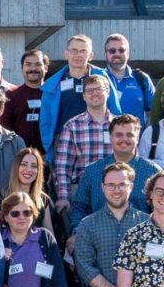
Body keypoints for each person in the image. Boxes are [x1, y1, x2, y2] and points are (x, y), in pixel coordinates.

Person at [68, 115, 156, 231]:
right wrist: (77, 232)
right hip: (98, 240)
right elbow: (80, 207)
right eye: (119, 135)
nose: (124, 139)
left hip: (141, 241)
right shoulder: (93, 171)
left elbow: (160, 210)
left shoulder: (153, 172)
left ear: (138, 138)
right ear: (110, 138)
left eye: (130, 135)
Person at [49, 70, 116, 209]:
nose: (94, 93)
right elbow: (62, 167)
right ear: (84, 96)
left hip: (116, 191)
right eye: (90, 90)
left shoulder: (119, 125)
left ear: (108, 92)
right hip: (82, 192)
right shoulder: (72, 126)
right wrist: (63, 197)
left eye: (99, 89)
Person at [0, 145, 67, 243]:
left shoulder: (43, 200)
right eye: (24, 164)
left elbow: (50, 240)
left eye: (34, 166)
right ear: (16, 167)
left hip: (37, 256)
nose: (29, 169)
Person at [37, 34, 101, 149]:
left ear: (90, 56)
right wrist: (49, 148)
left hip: (95, 140)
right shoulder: (52, 85)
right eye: (74, 50)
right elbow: (45, 121)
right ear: (66, 54)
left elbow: (114, 111)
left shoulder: (103, 80)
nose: (78, 55)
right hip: (62, 142)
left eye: (83, 51)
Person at [100, 33, 157, 125]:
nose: (117, 54)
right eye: (112, 51)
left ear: (128, 53)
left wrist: (147, 134)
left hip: (136, 138)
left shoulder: (142, 79)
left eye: (121, 50)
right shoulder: (97, 78)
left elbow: (154, 111)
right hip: (104, 138)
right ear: (105, 55)